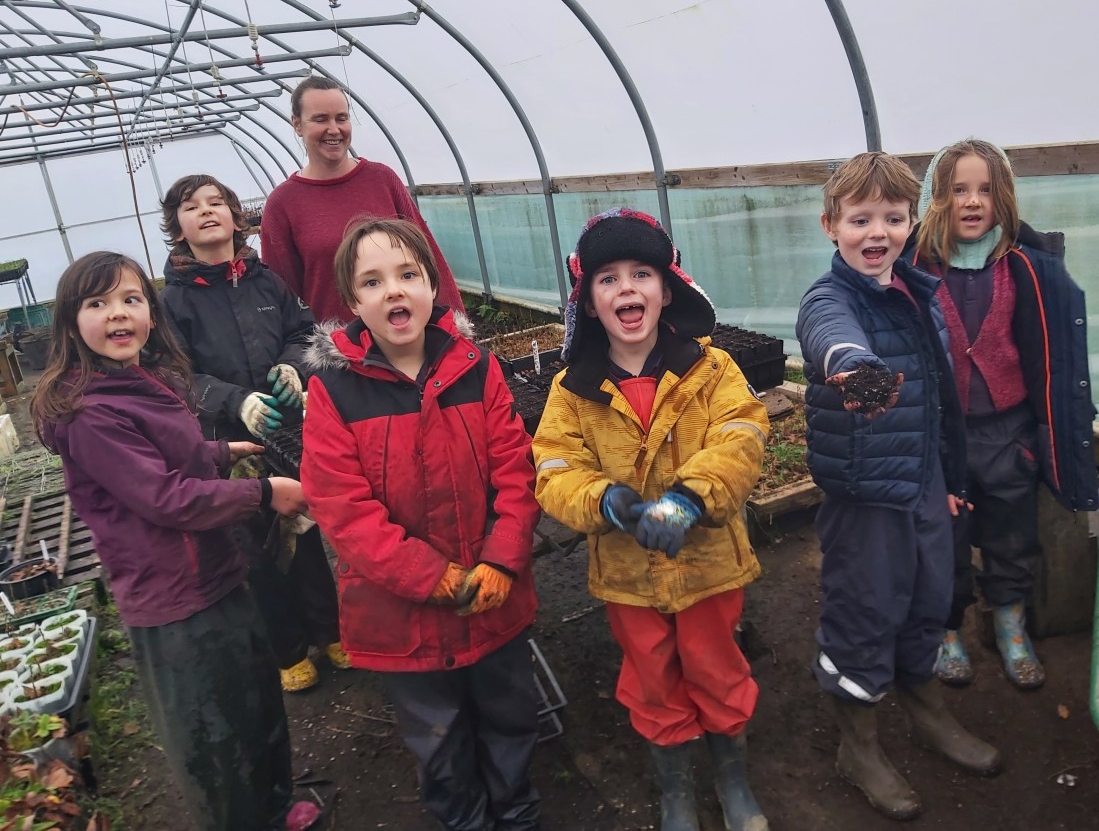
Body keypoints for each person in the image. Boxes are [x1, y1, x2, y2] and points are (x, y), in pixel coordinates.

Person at [31, 251, 318, 831]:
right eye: (97, 303)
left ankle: (274, 804)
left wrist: (219, 452)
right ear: (69, 322)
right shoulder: (87, 412)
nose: (118, 314)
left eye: (131, 300)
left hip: (217, 571)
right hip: (173, 599)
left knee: (256, 698)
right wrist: (263, 493)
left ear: (151, 314)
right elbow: (164, 498)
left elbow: (167, 455)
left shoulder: (140, 381)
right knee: (213, 733)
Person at [532, 207, 771, 831]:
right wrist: (604, 501)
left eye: (642, 273)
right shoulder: (572, 390)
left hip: (709, 565)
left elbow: (741, 435)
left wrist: (693, 497)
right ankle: (676, 793)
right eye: (607, 279)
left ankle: (732, 779)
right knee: (652, 677)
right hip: (629, 576)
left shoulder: (711, 369)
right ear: (587, 303)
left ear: (669, 289)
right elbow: (554, 469)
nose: (627, 289)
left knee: (717, 666)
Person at [300, 218, 541, 831]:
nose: (394, 291)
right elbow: (342, 508)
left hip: (493, 598)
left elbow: (516, 471)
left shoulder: (477, 370)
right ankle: (464, 821)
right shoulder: (333, 391)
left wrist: (502, 559)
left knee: (510, 719)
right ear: (353, 303)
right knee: (437, 741)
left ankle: (516, 814)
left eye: (408, 275)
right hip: (402, 616)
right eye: (373, 281)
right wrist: (430, 577)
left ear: (434, 288)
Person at [796, 153, 1002, 820]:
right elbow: (834, 340)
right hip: (864, 501)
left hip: (921, 485)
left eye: (892, 216)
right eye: (860, 219)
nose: (876, 232)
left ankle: (926, 711)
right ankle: (857, 745)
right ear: (832, 225)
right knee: (863, 613)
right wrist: (857, 371)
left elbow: (940, 397)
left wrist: (945, 479)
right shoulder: (830, 300)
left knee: (927, 601)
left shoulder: (919, 292)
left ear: (912, 221)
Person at [909, 139, 1098, 690]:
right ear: (936, 199)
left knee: (1012, 536)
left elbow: (1058, 359)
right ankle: (947, 631)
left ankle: (1012, 628)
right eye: (958, 190)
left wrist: (1051, 434)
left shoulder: (1027, 268)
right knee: (943, 537)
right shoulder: (915, 270)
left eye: (986, 190)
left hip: (1007, 431)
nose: (972, 202)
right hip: (944, 439)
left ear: (1004, 198)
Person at [158, 173, 348, 692]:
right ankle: (287, 650)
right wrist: (235, 401)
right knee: (256, 542)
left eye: (217, 202)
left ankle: (331, 631)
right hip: (227, 438)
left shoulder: (266, 281)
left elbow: (302, 332)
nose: (207, 211)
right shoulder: (173, 302)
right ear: (177, 227)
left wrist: (294, 368)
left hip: (286, 428)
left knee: (305, 528)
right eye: (191, 206)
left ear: (236, 217)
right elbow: (177, 372)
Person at [259, 75, 465, 323]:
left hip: (407, 335)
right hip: (338, 350)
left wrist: (454, 325)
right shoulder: (283, 203)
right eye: (320, 119)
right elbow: (282, 293)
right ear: (297, 124)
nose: (334, 129)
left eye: (341, 118)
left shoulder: (382, 179)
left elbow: (427, 257)